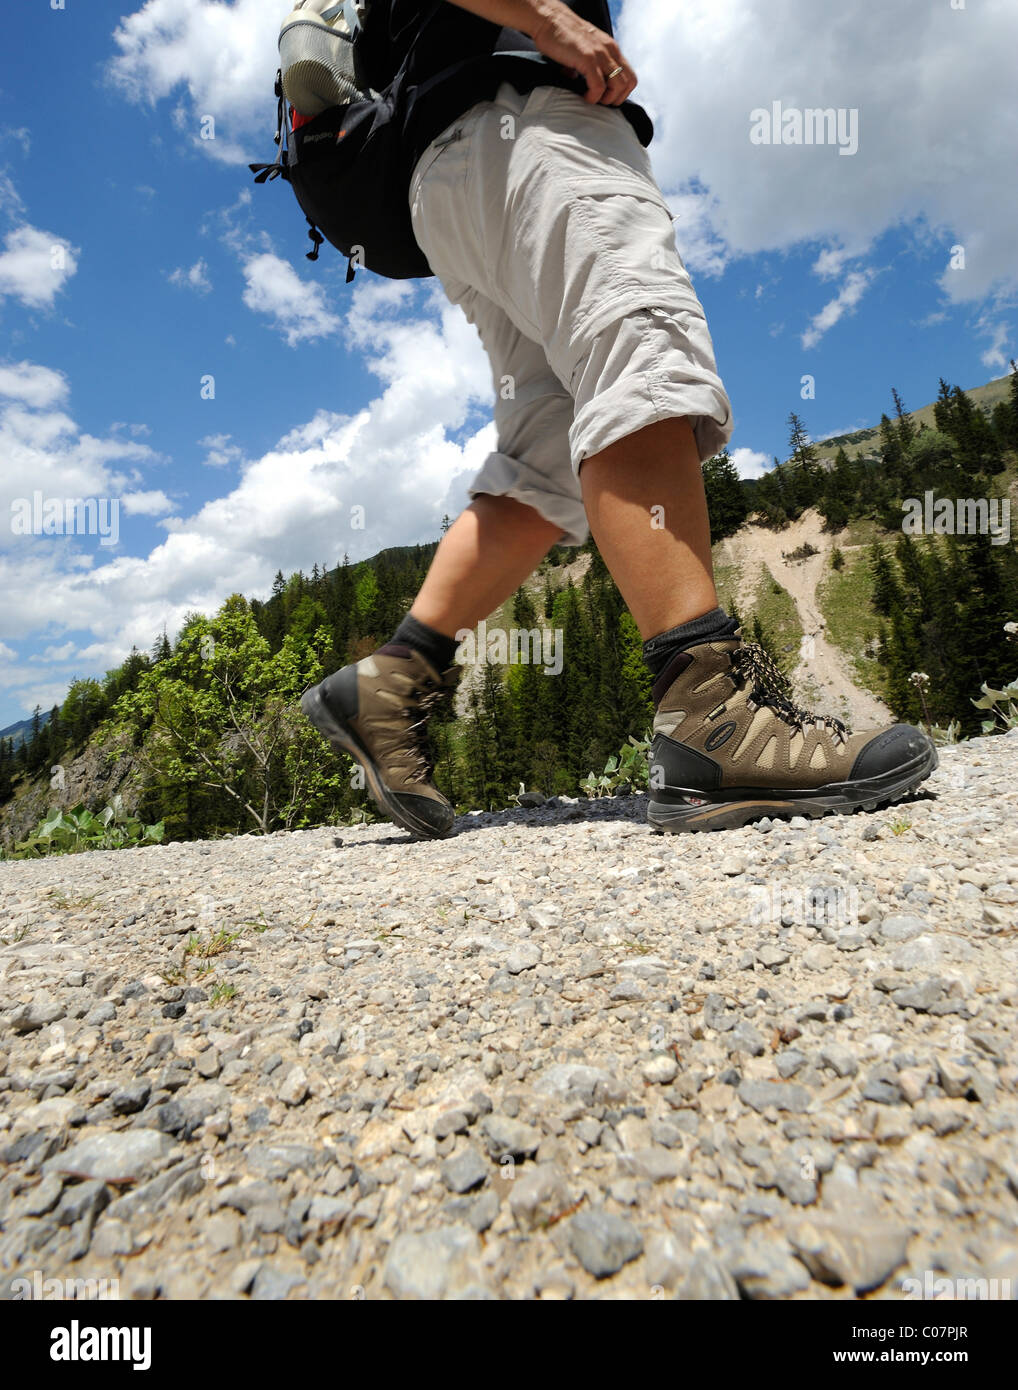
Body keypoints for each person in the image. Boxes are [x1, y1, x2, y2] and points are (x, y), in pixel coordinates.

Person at [301, 0, 937, 836]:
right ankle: (711, 714)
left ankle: (396, 676)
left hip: (447, 173)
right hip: (522, 119)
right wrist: (545, 19)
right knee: (636, 345)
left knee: (548, 453)